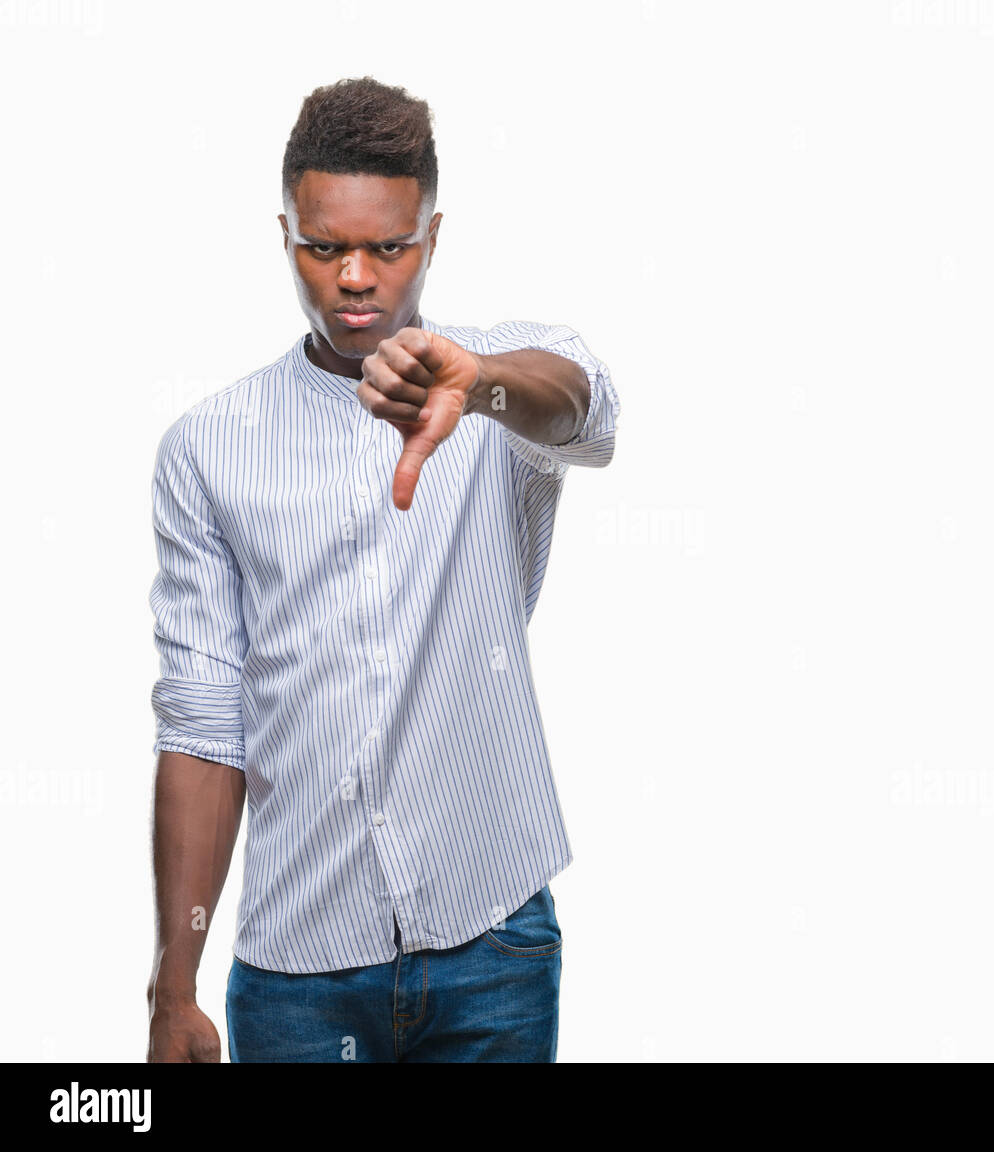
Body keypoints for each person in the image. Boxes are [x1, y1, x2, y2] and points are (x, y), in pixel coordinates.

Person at [144, 76, 619, 1063]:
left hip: (493, 940)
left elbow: (581, 407)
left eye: (388, 247)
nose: (356, 276)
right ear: (286, 236)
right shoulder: (207, 448)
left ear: (432, 237)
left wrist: (481, 389)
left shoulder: (497, 387)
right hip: (298, 973)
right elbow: (202, 726)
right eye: (326, 248)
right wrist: (175, 980)